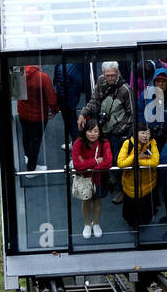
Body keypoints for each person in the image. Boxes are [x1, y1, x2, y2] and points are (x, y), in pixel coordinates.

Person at [79, 61, 133, 203]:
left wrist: (118, 129)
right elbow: (94, 101)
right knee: (102, 156)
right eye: (107, 75)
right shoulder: (100, 82)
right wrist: (83, 113)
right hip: (102, 129)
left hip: (116, 132)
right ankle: (109, 180)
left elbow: (131, 113)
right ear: (103, 74)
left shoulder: (125, 90)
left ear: (118, 73)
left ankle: (121, 189)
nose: (110, 78)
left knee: (116, 160)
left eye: (113, 75)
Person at [71, 118, 112, 238]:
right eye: (89, 131)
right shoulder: (78, 143)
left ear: (100, 132)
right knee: (86, 201)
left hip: (99, 178)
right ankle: (87, 224)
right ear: (84, 131)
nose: (92, 134)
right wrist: (95, 161)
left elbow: (108, 162)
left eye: (95, 131)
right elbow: (78, 165)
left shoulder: (105, 142)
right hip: (84, 179)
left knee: (97, 200)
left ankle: (96, 223)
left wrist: (86, 164)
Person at [17, 64, 58, 172]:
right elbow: (51, 98)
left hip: (22, 112)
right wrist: (54, 110)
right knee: (35, 142)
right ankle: (31, 169)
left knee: (26, 136)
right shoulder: (43, 77)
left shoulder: (19, 72)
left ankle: (27, 156)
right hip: (38, 116)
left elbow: (16, 92)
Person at [117, 123, 160, 227]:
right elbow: (121, 163)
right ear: (135, 133)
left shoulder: (152, 143)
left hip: (148, 185)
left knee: (146, 213)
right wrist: (137, 156)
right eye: (143, 133)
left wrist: (136, 160)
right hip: (130, 186)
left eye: (148, 133)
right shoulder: (128, 143)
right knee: (131, 214)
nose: (146, 136)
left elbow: (155, 162)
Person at [142, 67, 167, 151]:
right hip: (150, 134)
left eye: (163, 81)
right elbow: (140, 112)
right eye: (158, 81)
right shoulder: (146, 94)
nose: (160, 84)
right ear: (154, 82)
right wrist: (145, 128)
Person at [55, 61, 84, 142]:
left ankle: (77, 144)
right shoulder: (73, 65)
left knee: (71, 123)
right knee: (71, 121)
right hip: (71, 97)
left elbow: (61, 88)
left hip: (67, 100)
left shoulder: (64, 68)